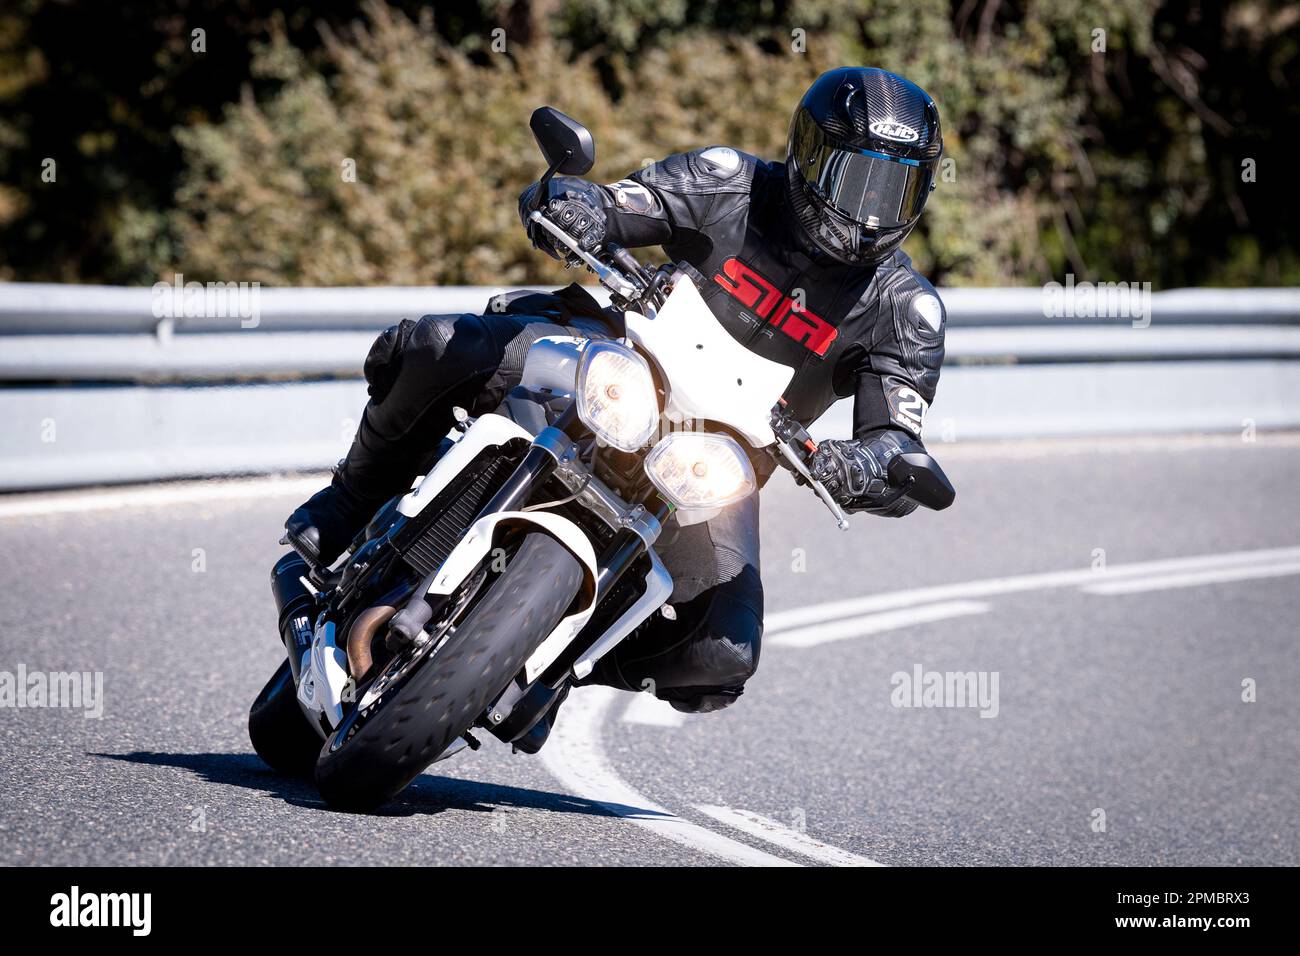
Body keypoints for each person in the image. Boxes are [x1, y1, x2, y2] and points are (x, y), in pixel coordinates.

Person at [283, 66, 949, 745]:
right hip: (616, 362)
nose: (870, 210)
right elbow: (624, 202)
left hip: (713, 468)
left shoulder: (906, 310)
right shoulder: (729, 181)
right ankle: (347, 503)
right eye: (857, 179)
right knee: (437, 346)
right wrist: (576, 205)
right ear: (809, 154)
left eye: (894, 188)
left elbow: (900, 441)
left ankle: (550, 662)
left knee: (722, 654)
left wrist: (867, 466)